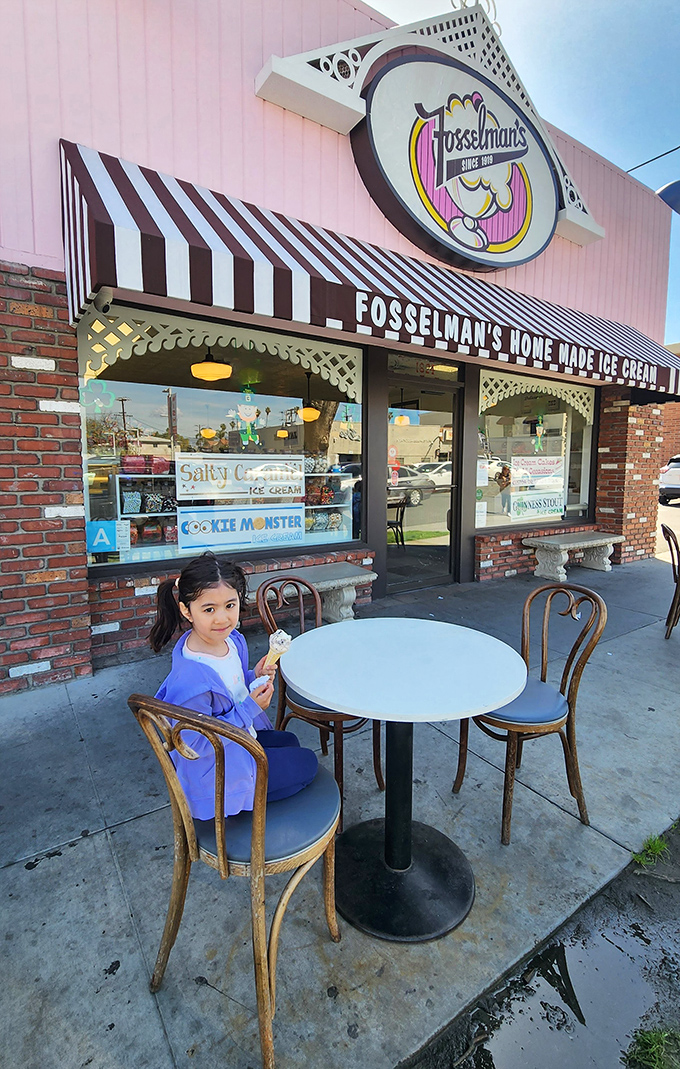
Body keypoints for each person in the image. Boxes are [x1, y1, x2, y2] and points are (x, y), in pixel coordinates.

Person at [149, 552, 318, 819]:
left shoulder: (232, 642)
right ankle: (241, 801)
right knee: (309, 765)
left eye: (230, 605)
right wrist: (250, 708)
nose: (222, 619)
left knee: (290, 740)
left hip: (241, 739)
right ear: (186, 610)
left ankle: (260, 788)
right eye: (208, 609)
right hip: (219, 772)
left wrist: (254, 676)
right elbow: (193, 745)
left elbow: (232, 687)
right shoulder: (191, 680)